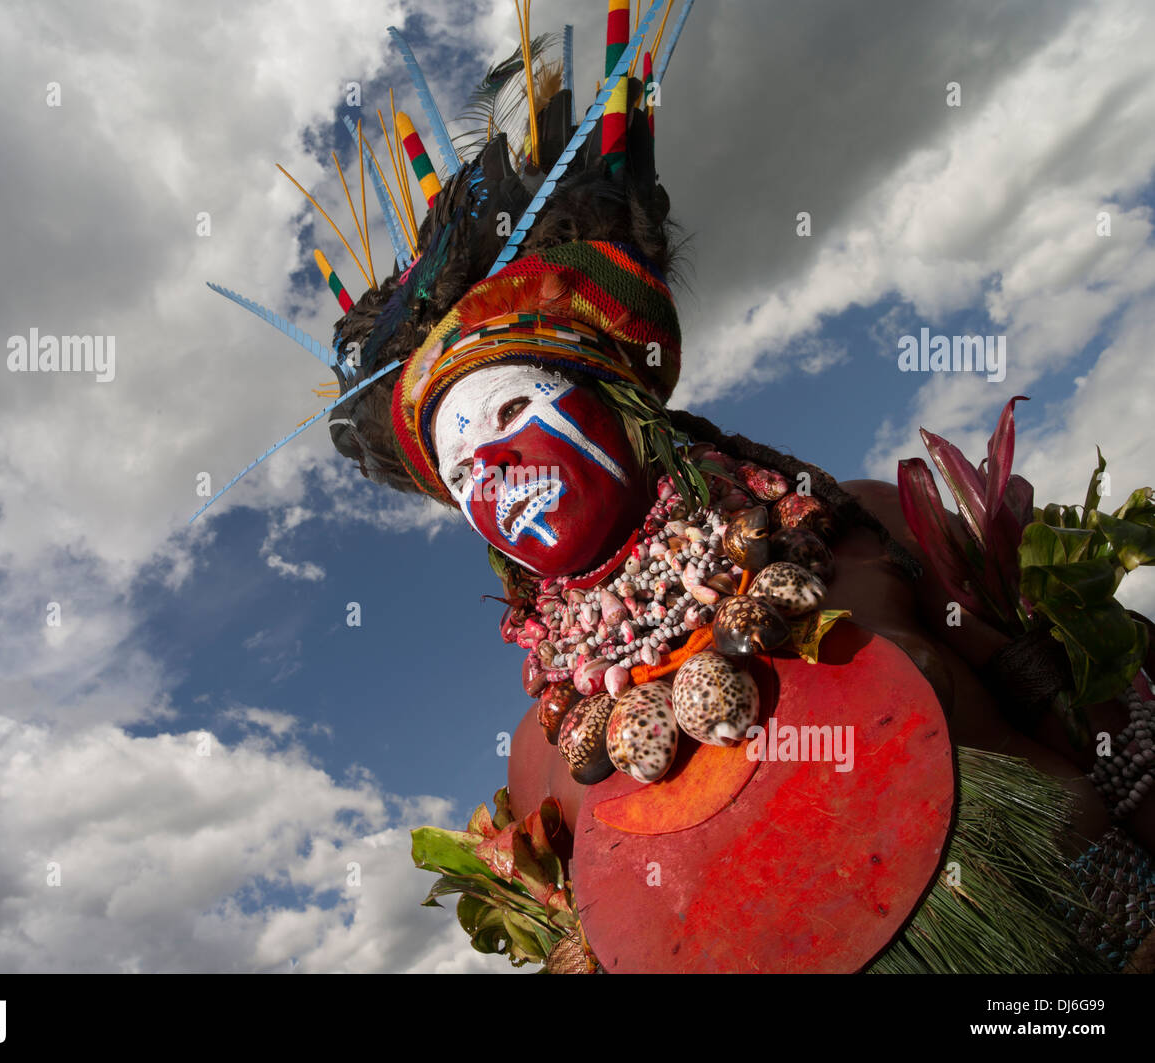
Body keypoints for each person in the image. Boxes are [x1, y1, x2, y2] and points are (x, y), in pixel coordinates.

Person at [213, 4, 1155, 971]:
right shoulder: (544, 756)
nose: (489, 472)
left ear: (619, 399)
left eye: (505, 417)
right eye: (459, 475)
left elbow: (1114, 730)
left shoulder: (866, 526)